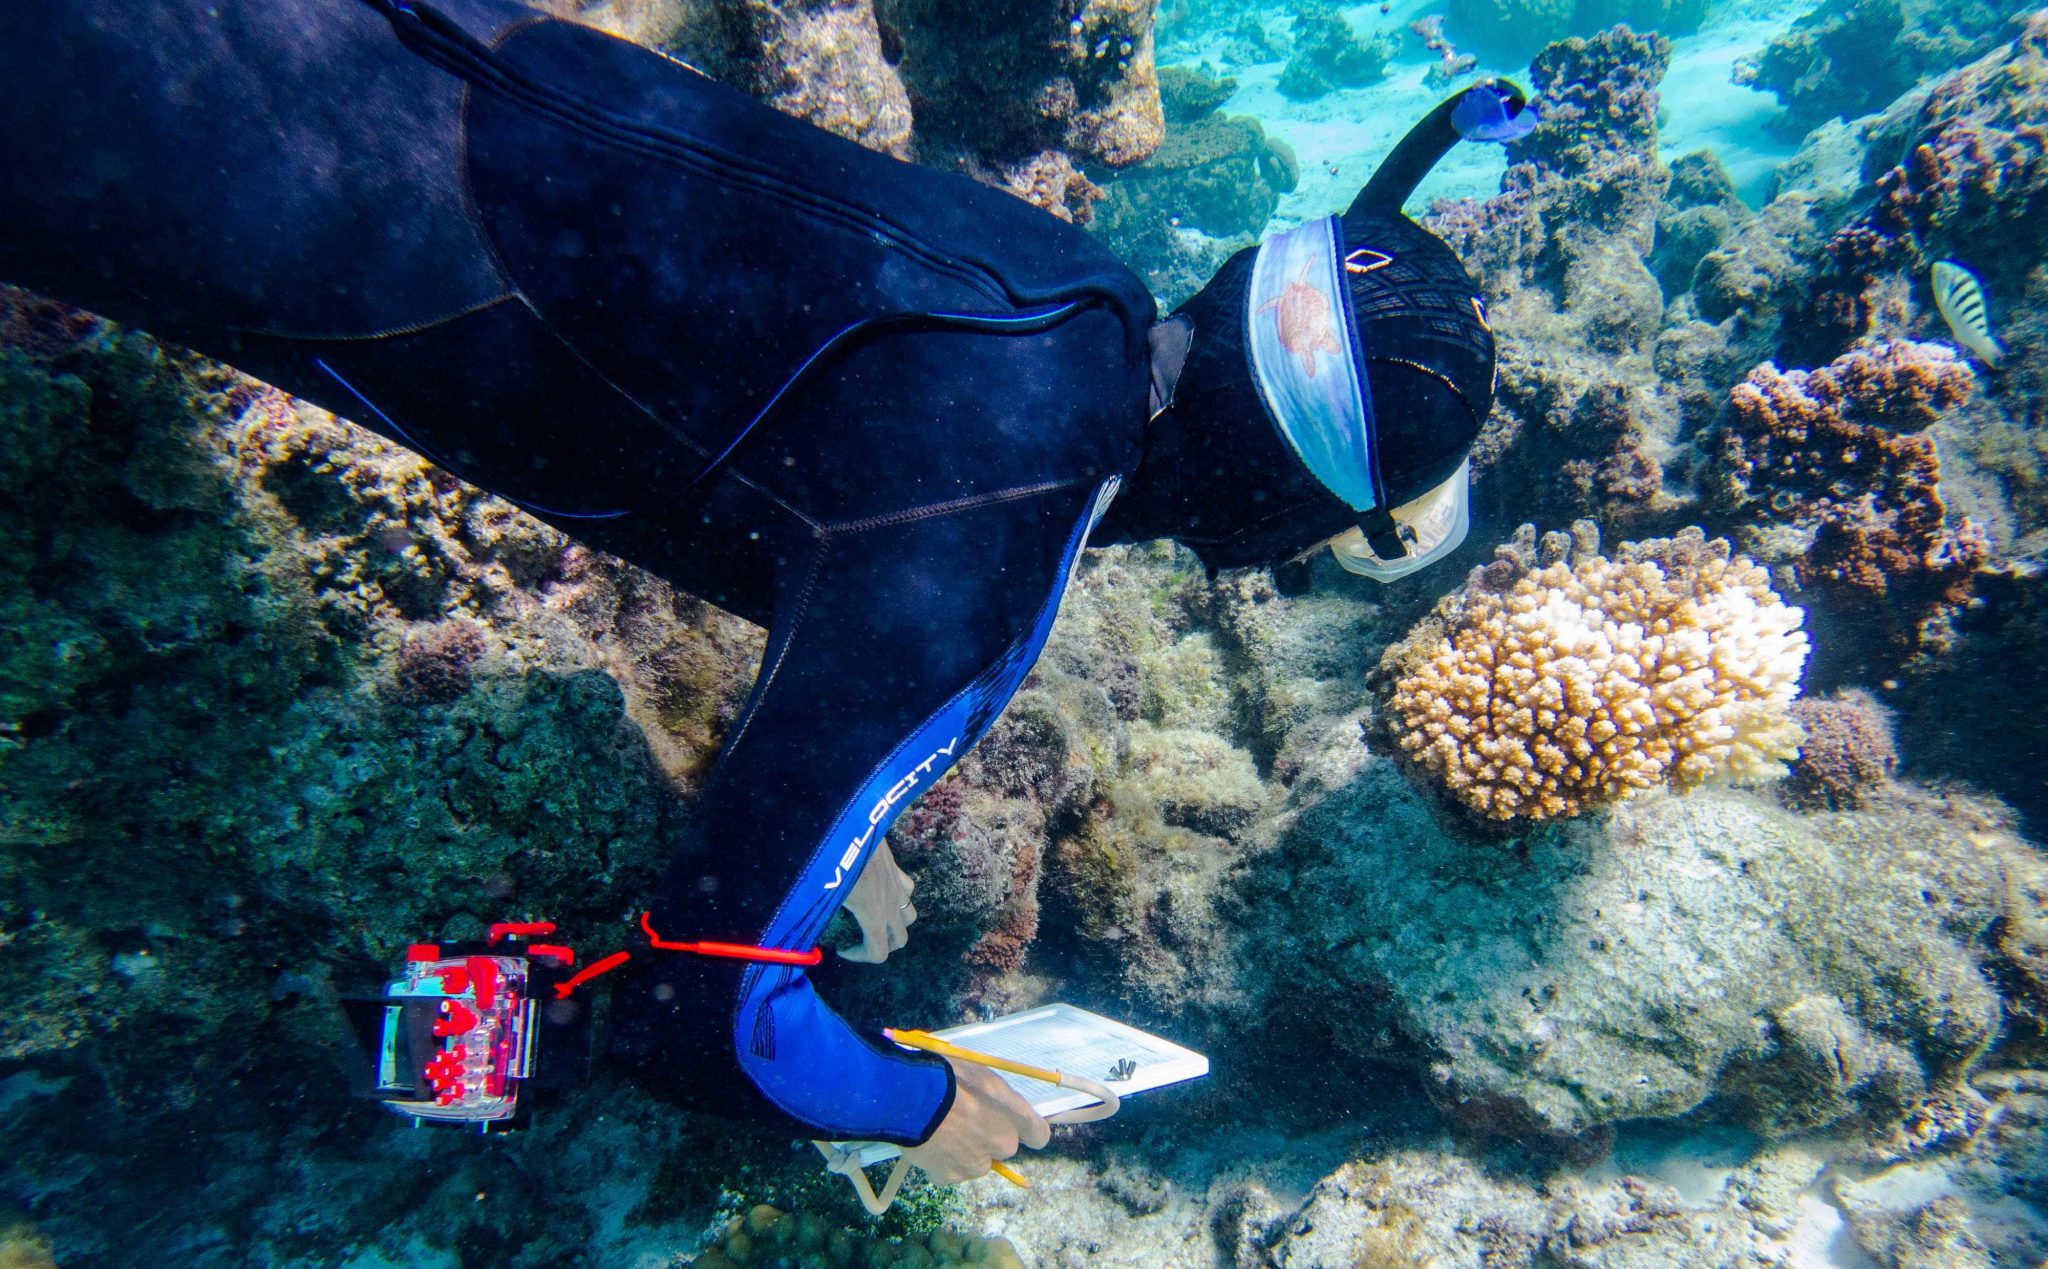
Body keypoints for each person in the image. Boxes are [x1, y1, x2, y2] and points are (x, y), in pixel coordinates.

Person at [0, 0, 1529, 1185]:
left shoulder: (1084, 297)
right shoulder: (994, 560)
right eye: (1366, 527)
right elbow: (704, 1022)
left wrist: (816, 820)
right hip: (153, 167)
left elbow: (825, 456)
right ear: (1275, 501)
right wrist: (930, 1103)